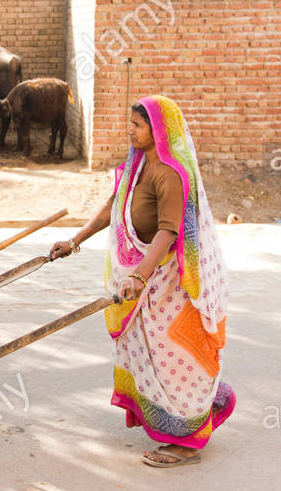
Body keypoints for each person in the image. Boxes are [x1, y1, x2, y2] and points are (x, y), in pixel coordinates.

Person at [50, 95, 233, 467]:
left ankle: (186, 441)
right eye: (130, 124)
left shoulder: (169, 175)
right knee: (149, 357)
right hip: (143, 282)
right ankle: (204, 406)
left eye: (137, 125)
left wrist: (138, 276)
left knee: (170, 358)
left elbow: (168, 232)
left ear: (159, 130)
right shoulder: (137, 165)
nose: (129, 131)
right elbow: (112, 207)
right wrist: (74, 241)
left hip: (166, 285)